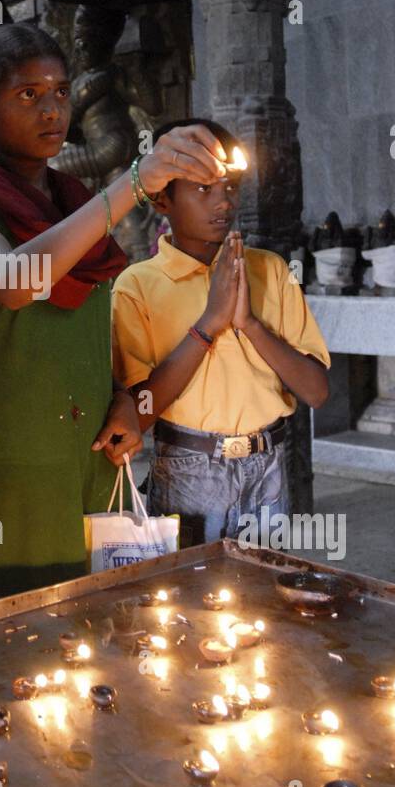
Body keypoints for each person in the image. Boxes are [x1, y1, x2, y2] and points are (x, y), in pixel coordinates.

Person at [0, 26, 230, 605]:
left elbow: (81, 330)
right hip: (12, 460)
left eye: (60, 92)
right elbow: (14, 282)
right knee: (19, 638)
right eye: (28, 94)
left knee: (94, 631)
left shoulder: (72, 201)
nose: (52, 108)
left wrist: (122, 400)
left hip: (88, 450)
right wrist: (136, 181)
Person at [112, 117, 331, 546]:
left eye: (229, 186)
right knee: (190, 600)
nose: (223, 203)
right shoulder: (137, 286)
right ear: (161, 199)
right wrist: (210, 322)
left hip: (267, 465)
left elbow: (317, 392)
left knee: (264, 595)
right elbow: (139, 413)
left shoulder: (267, 269)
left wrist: (248, 323)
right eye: (202, 188)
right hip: (189, 467)